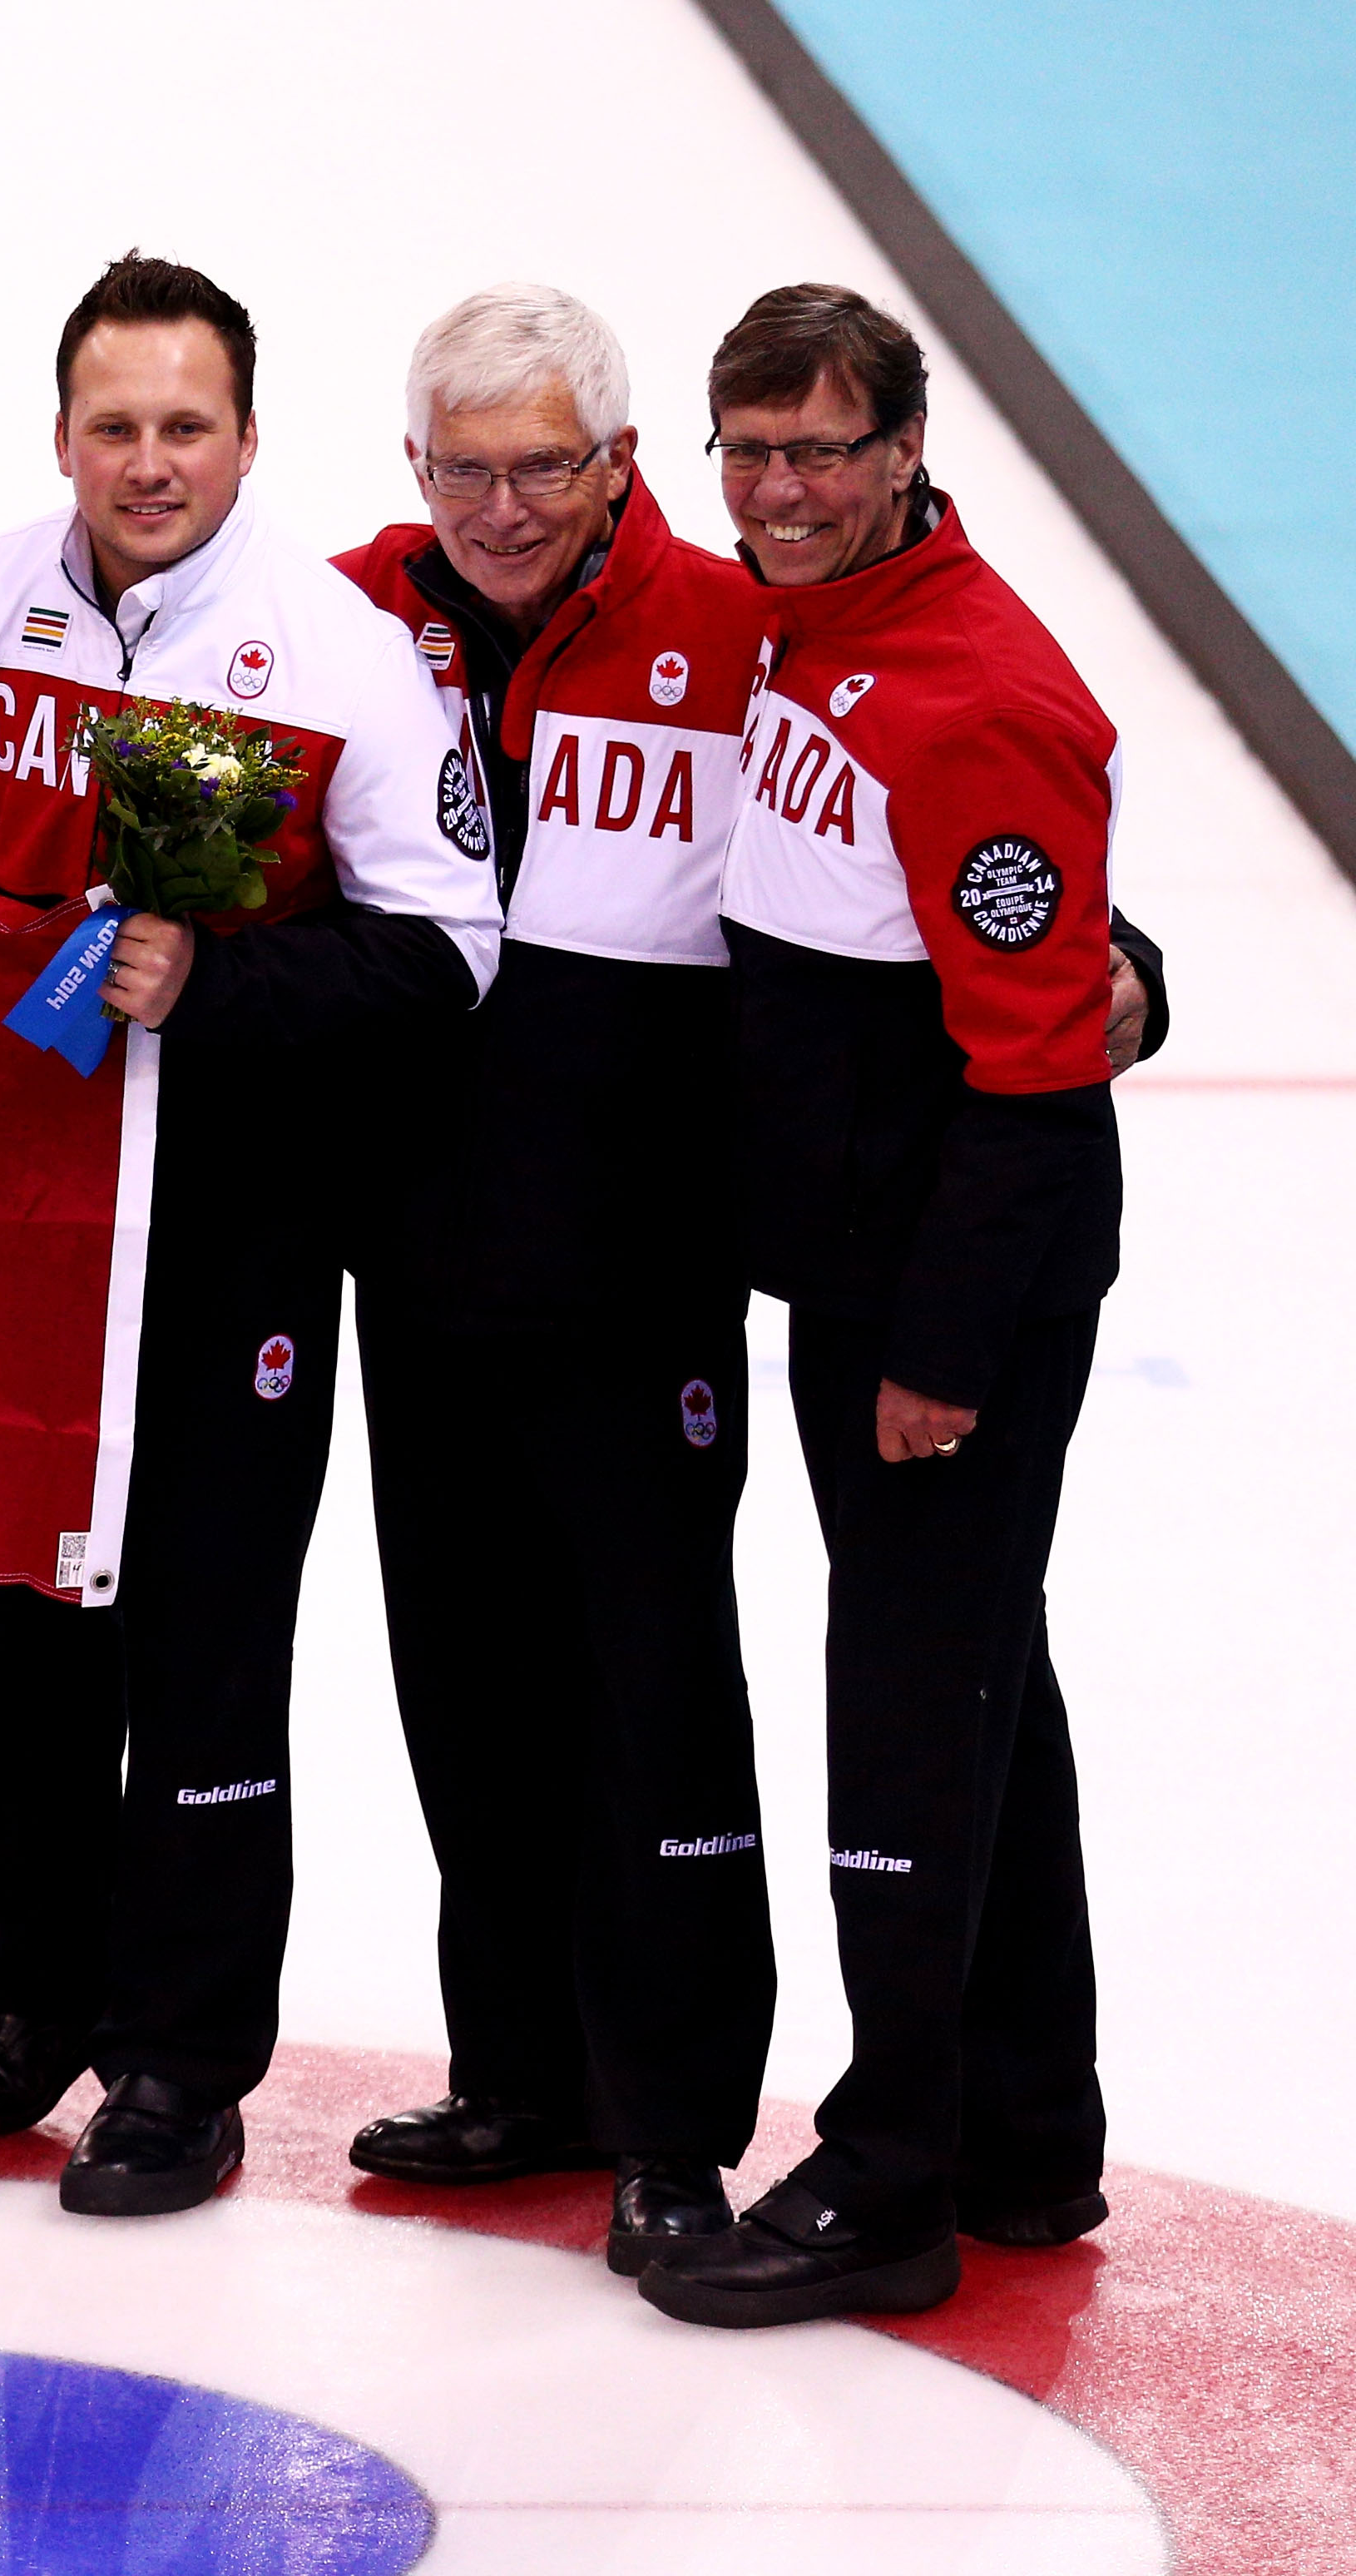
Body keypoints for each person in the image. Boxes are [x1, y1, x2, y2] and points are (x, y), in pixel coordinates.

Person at [0, 253, 498, 2218]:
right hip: (17, 1217)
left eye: (183, 427)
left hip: (237, 1226)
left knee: (208, 1640)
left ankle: (179, 2061)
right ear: (59, 434)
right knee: (18, 1621)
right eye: (113, 426)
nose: (146, 464)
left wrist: (213, 992)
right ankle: (33, 1999)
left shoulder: (338, 654)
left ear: (245, 439)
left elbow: (448, 951)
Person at [642, 286, 1126, 2328]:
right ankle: (1020, 2132)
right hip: (861, 1266)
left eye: (819, 452)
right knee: (977, 1676)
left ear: (905, 448)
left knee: (910, 1707)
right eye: (745, 452)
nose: (774, 493)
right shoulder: (799, 622)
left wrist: (937, 1351)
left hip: (944, 1301)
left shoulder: (969, 689)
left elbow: (1033, 1070)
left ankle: (891, 2176)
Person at [323, 286, 784, 2273]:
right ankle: (516, 2072)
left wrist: (1108, 959)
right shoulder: (346, 620)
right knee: (467, 1690)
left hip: (638, 1282)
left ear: (614, 466)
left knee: (652, 1698)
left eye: (539, 468)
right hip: (421, 1271)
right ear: (410, 467)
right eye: (464, 469)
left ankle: (670, 2123)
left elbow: (914, 806)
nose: (499, 509)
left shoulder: (736, 632)